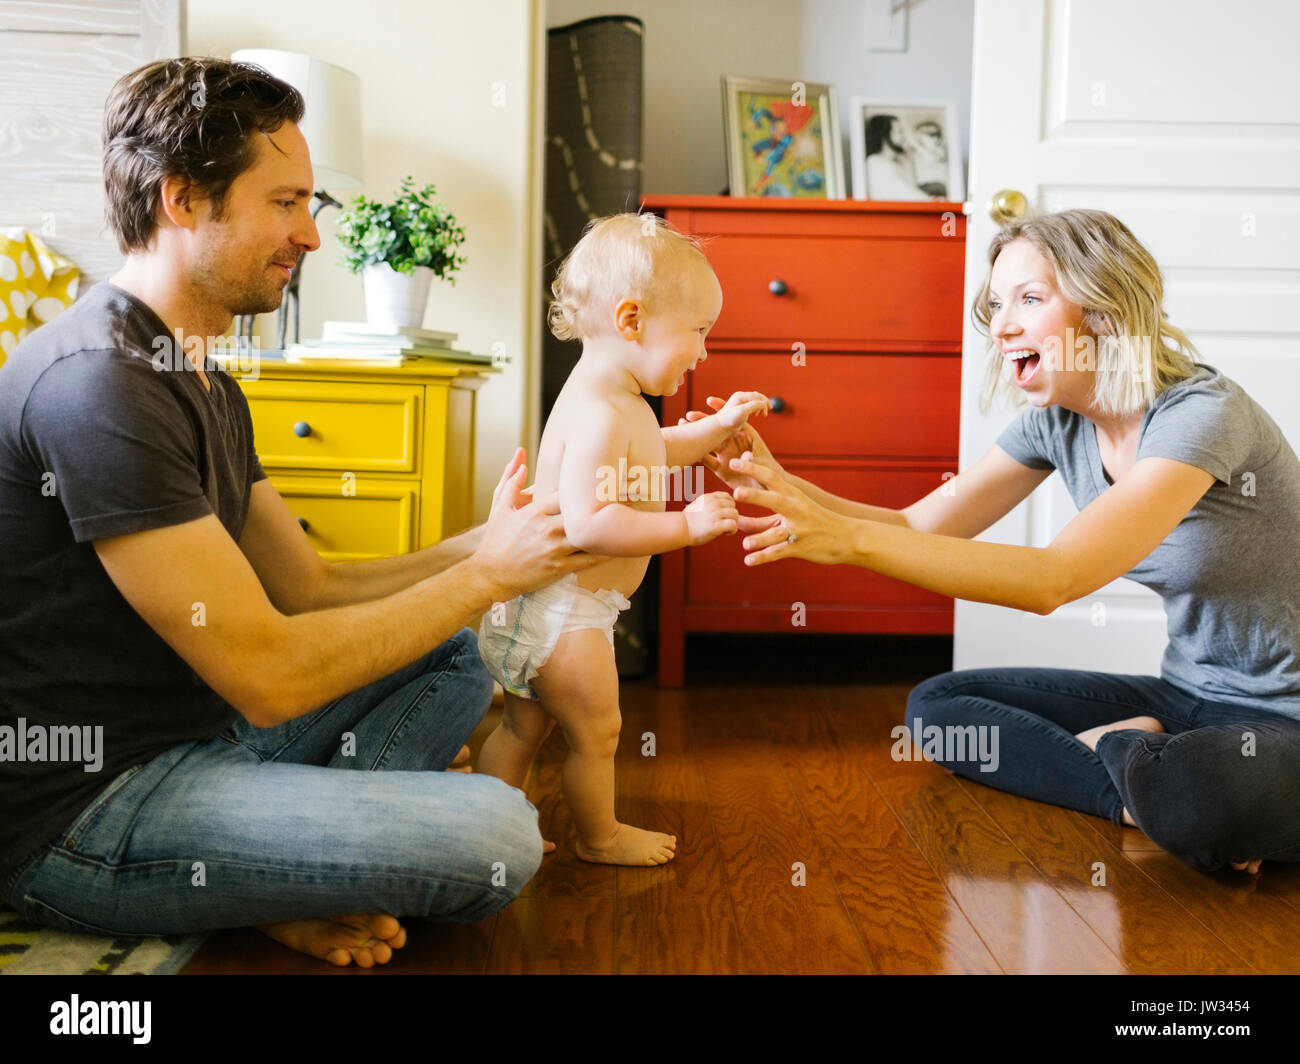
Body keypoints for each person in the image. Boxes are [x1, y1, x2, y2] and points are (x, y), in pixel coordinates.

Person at [0, 56, 606, 968]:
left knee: (456, 654)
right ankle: (264, 869)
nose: (312, 237)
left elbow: (312, 587)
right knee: (497, 834)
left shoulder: (200, 377)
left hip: (198, 733)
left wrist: (489, 542)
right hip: (82, 805)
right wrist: (489, 574)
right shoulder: (100, 386)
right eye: (285, 203)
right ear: (183, 200)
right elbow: (268, 675)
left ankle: (268, 871)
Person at [697, 208, 1300, 876]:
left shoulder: (1201, 415)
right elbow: (919, 527)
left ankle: (1165, 785)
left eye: (1030, 299)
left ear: (1104, 307)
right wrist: (778, 482)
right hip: (1185, 698)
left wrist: (845, 542)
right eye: (995, 304)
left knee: (1207, 797)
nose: (1002, 324)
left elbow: (1055, 578)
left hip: (1285, 718)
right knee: (940, 710)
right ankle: (1137, 786)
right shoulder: (1057, 425)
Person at [476, 213, 767, 865]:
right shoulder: (605, 412)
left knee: (522, 727)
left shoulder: (612, 400)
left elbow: (653, 454)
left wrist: (717, 426)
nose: (703, 351)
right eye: (698, 332)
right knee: (599, 732)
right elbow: (591, 522)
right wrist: (686, 526)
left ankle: (487, 827)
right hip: (566, 618)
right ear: (631, 320)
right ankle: (599, 838)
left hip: (549, 609)